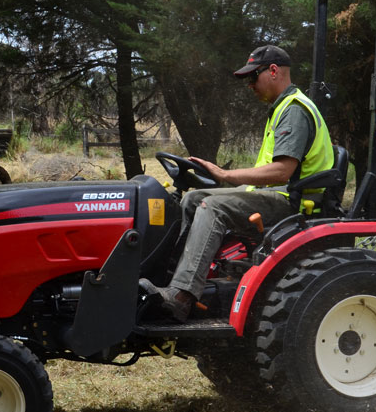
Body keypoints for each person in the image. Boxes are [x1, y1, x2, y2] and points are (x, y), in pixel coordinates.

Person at [140, 44, 334, 322]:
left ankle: (183, 295)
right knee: (192, 198)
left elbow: (282, 171)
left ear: (274, 71)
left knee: (211, 206)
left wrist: (226, 175)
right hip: (274, 194)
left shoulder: (294, 110)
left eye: (253, 77)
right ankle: (165, 280)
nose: (250, 85)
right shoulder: (282, 108)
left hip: (292, 202)